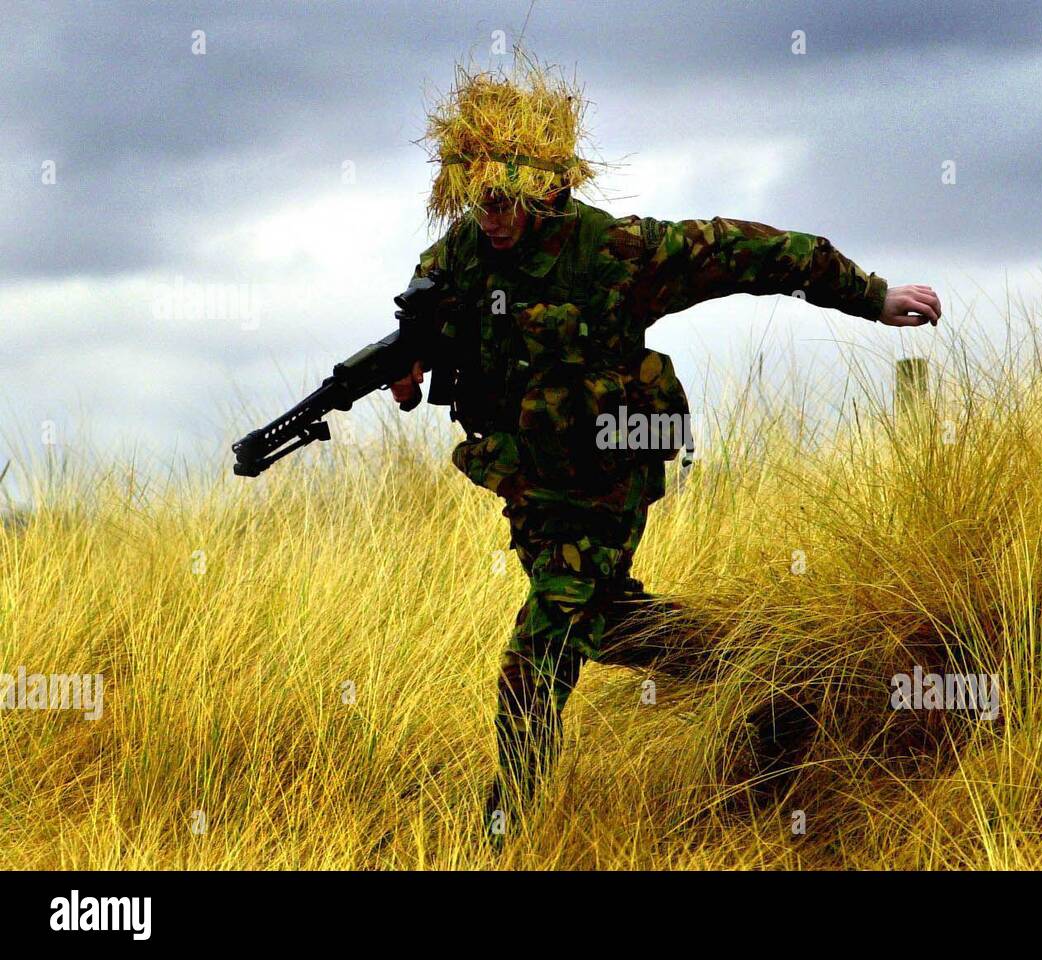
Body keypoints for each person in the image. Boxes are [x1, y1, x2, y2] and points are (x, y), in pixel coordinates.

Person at [389, 57, 941, 845]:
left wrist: (871, 296)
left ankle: (503, 842)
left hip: (609, 481)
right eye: (482, 201)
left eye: (510, 199)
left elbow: (757, 254)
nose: (497, 215)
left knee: (534, 662)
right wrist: (410, 378)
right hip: (531, 496)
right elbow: (432, 345)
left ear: (546, 186)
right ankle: (776, 671)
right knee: (612, 626)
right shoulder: (455, 263)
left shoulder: (616, 252)